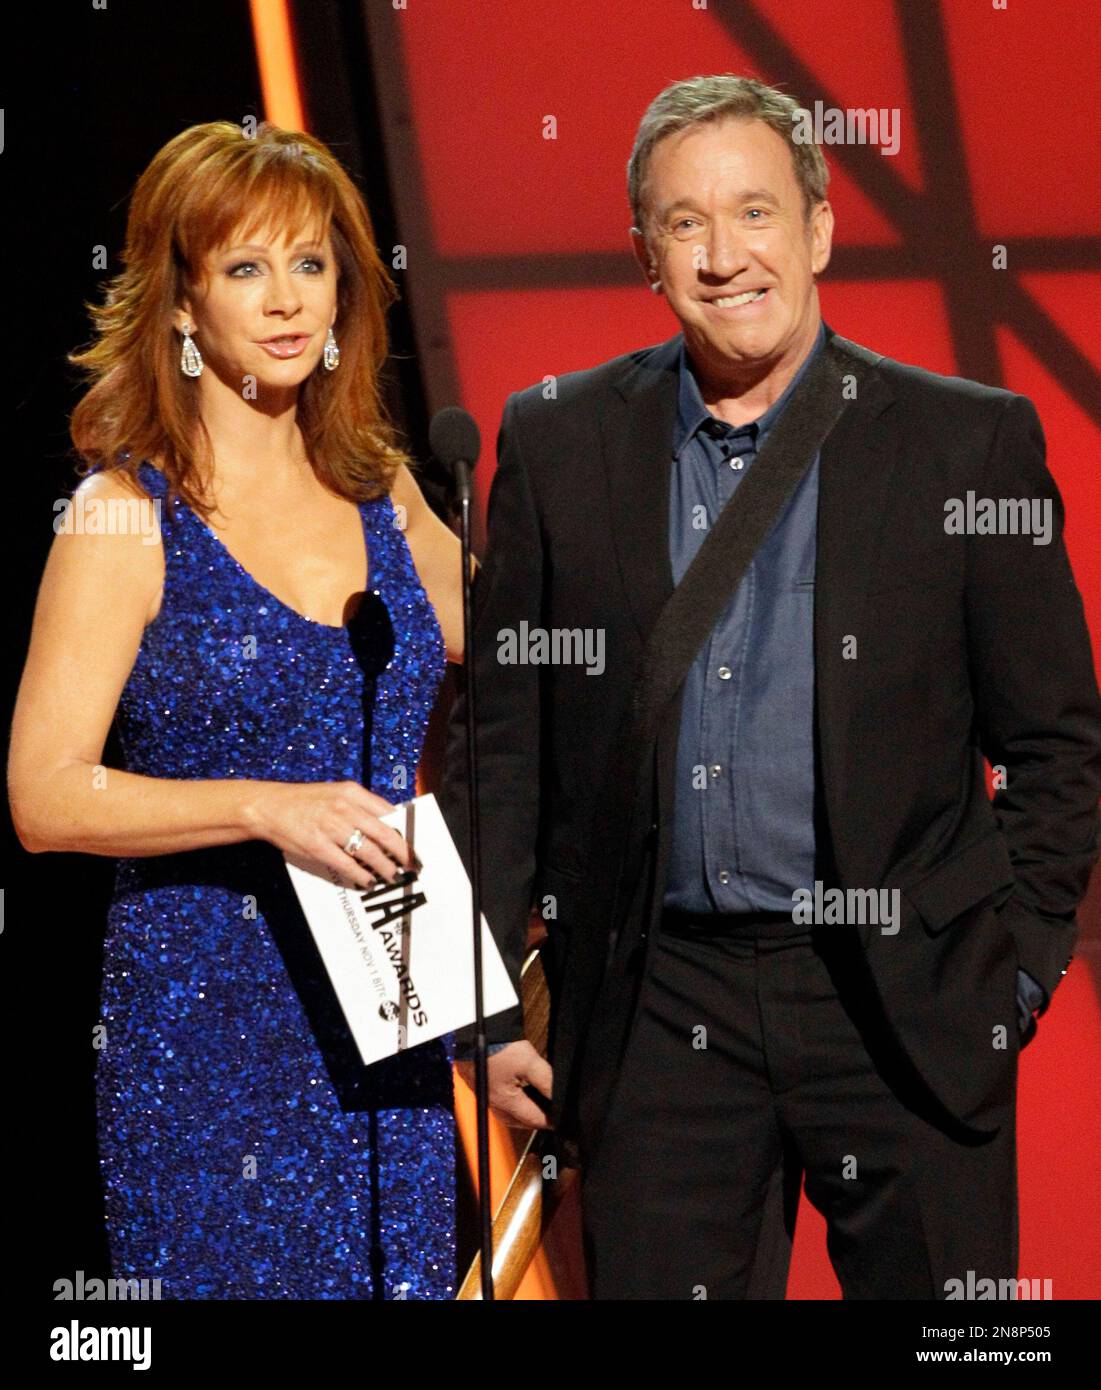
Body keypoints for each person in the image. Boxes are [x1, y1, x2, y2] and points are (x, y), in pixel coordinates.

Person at [437, 74, 1101, 1298]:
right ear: (645, 255)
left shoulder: (966, 442)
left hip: (906, 1003)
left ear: (820, 229)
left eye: (754, 212)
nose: (725, 254)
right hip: (659, 1009)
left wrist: (1007, 973)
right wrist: (480, 1005)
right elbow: (503, 750)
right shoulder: (558, 441)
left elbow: (1061, 747)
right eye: (686, 223)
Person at [8, 121, 470, 1299]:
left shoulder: (387, 494)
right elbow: (46, 792)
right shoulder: (125, 510)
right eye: (246, 268)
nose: (286, 303)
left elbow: (532, 684)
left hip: (395, 1013)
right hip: (207, 1030)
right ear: (178, 301)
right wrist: (266, 806)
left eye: (310, 265)